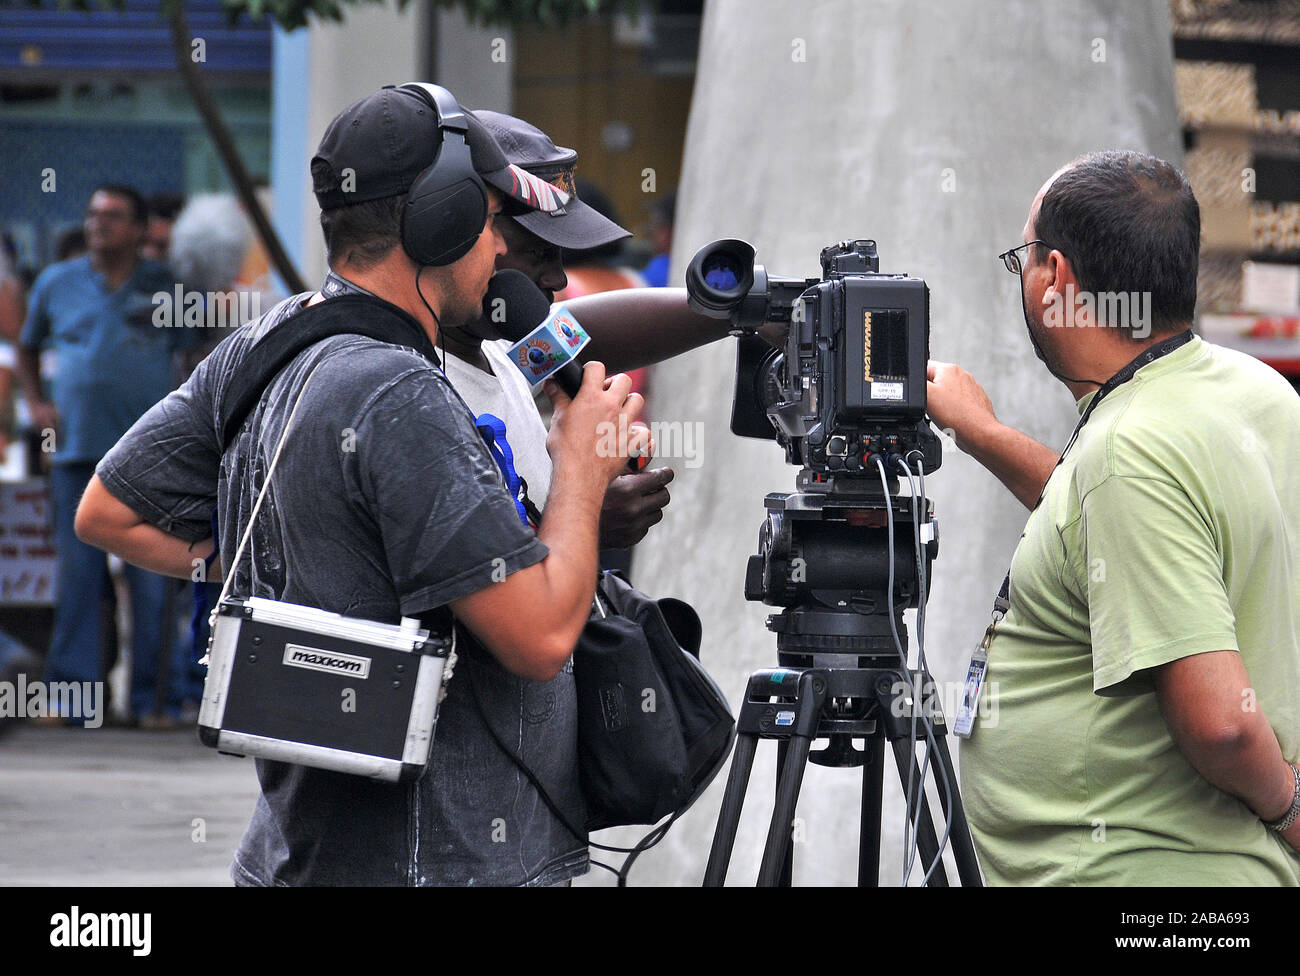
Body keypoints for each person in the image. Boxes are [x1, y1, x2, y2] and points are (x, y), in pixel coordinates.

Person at [88, 84, 650, 886]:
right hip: (445, 859)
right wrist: (584, 471)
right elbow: (539, 638)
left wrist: (286, 563)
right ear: (442, 219)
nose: (503, 254)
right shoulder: (404, 393)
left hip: (303, 852)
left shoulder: (269, 338)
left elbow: (108, 506)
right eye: (493, 224)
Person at [927, 150, 1300, 885]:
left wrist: (1291, 811)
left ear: (1058, 279)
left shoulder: (1129, 451)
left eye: (1024, 259)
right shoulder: (1254, 395)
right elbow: (1120, 529)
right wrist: (985, 433)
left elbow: (1221, 723)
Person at [15, 185, 192, 727]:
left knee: (154, 580)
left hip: (152, 459)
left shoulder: (167, 287)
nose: (98, 224)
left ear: (141, 230)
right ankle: (75, 702)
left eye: (113, 216)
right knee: (79, 579)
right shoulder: (55, 283)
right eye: (93, 214)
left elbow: (195, 356)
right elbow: (27, 346)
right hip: (75, 453)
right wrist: (37, 404)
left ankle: (153, 701)